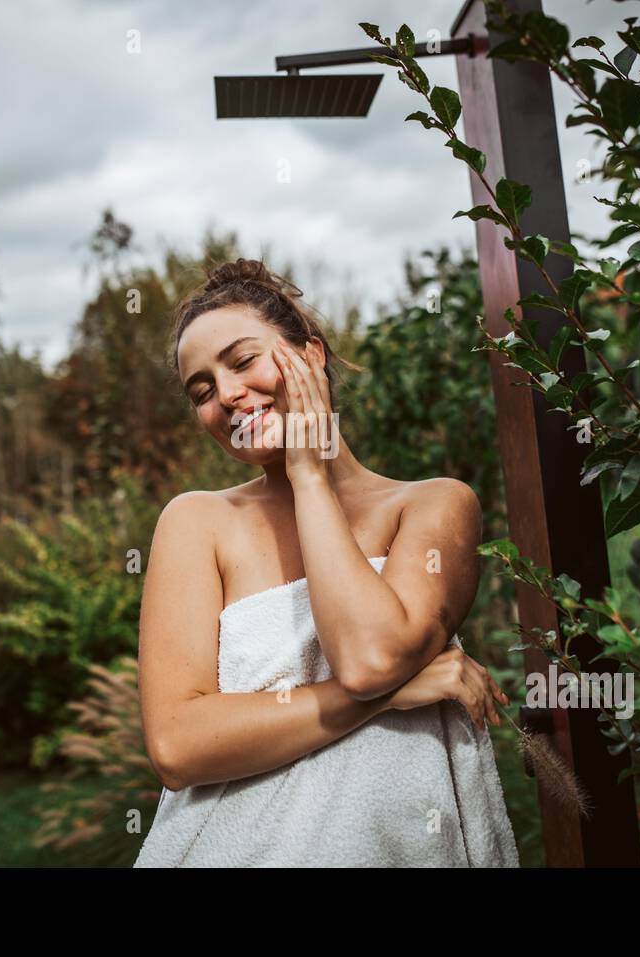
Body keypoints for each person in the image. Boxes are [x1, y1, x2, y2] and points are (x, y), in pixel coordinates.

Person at [132, 258, 520, 867]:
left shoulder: (431, 506)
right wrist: (387, 698)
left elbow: (370, 659)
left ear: (310, 357)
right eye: (201, 391)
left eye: (241, 361)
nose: (226, 397)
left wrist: (309, 475)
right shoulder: (195, 522)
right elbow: (178, 747)